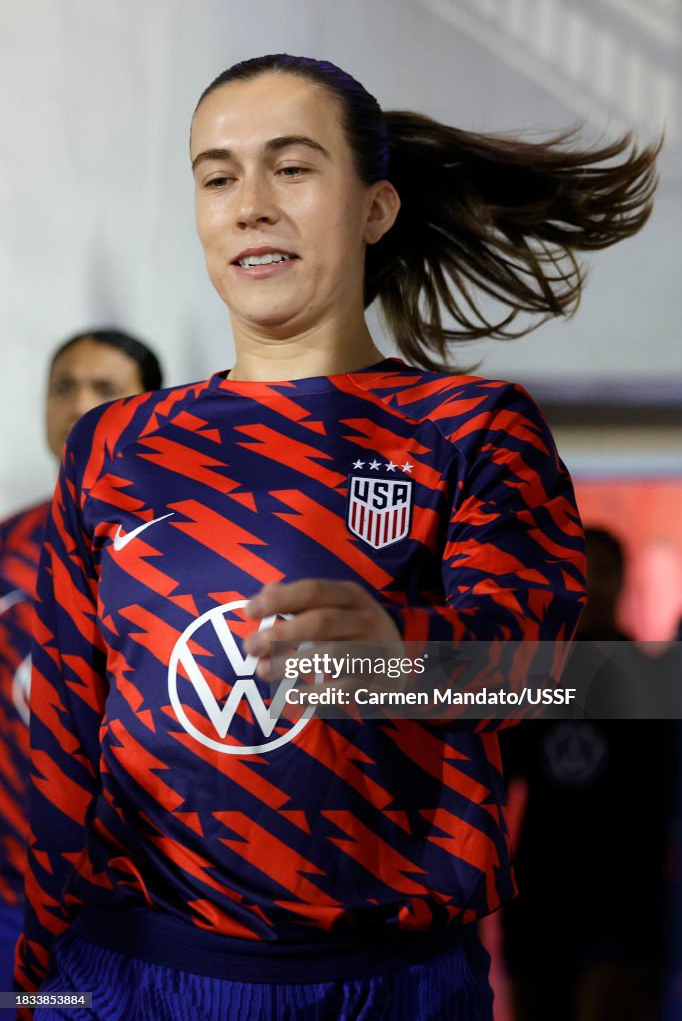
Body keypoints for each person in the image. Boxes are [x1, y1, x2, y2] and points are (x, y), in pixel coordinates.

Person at [15, 55, 658, 1020]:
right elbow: (61, 719)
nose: (250, 205)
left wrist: (402, 654)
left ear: (376, 208)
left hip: (387, 982)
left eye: (294, 167)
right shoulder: (119, 443)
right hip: (129, 968)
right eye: (219, 175)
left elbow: (541, 674)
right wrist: (31, 965)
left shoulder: (471, 426)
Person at [0, 330, 162, 999]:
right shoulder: (9, 546)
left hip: (153, 910)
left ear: (151, 412)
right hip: (19, 898)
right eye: (64, 387)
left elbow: (514, 679)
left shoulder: (187, 553)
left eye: (105, 390)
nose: (79, 407)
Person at [500, 527, 675, 1021]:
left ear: (623, 580)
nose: (591, 586)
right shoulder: (533, 681)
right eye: (580, 572)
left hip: (623, 904)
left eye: (602, 571)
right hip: (538, 899)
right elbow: (494, 783)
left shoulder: (656, 679)